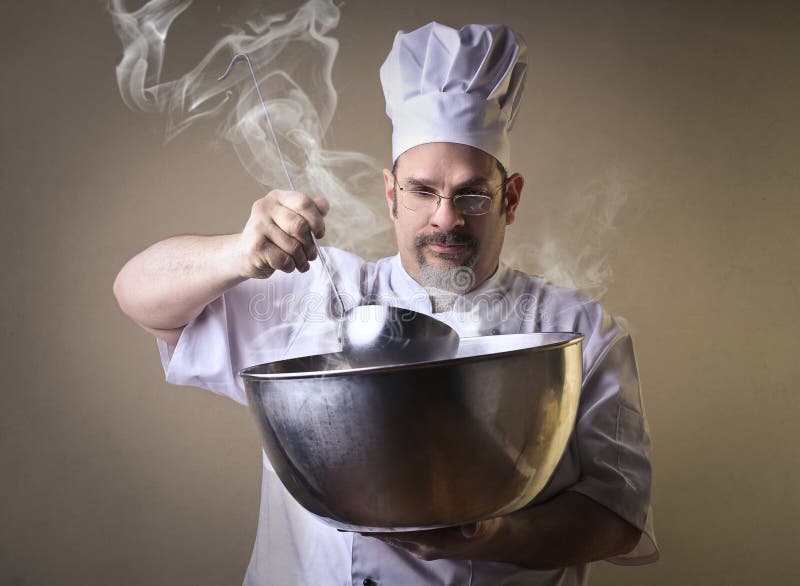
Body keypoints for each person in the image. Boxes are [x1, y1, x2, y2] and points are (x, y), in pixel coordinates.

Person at [114, 22, 658, 586]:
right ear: (391, 195)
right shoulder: (316, 292)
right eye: (422, 191)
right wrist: (237, 252)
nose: (445, 218)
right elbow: (137, 294)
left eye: (472, 193)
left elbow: (617, 516)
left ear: (510, 199)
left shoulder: (578, 332)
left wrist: (497, 537)